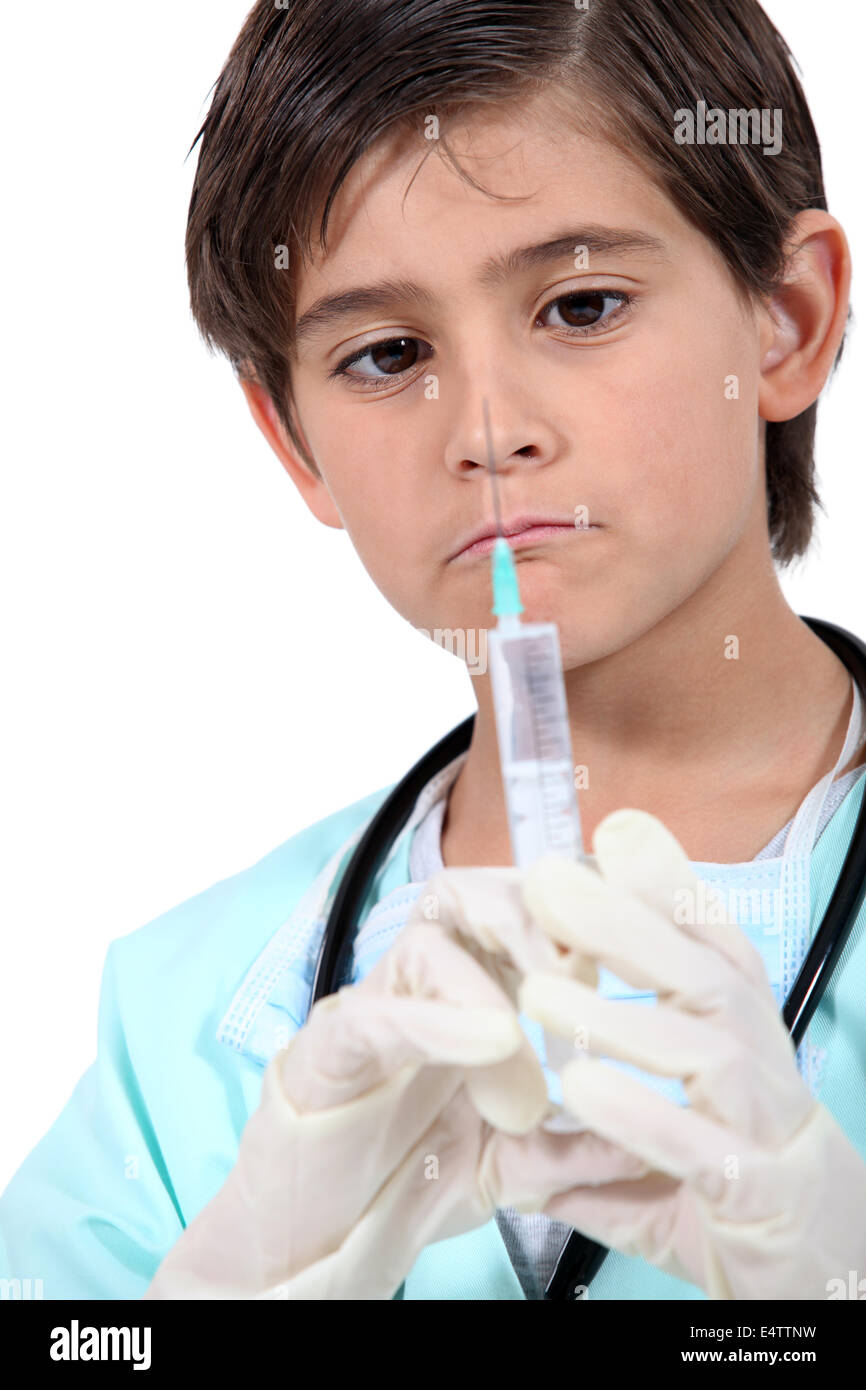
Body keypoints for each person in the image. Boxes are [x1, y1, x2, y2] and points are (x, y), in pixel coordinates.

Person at [2, 0, 865, 1301]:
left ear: (786, 323)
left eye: (580, 305)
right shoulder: (192, 1021)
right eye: (386, 352)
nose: (486, 426)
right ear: (293, 441)